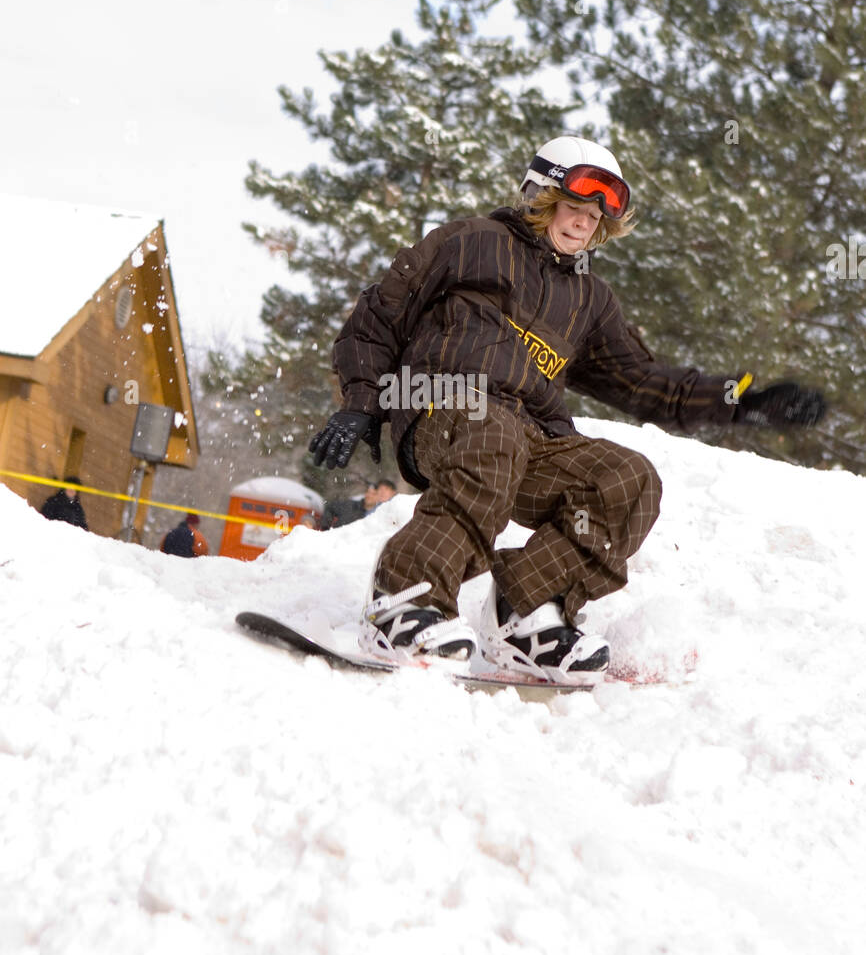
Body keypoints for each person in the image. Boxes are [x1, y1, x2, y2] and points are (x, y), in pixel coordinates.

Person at [309, 135, 825, 684]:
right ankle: (403, 600)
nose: (583, 225)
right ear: (541, 197)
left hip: (528, 434)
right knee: (493, 439)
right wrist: (361, 401)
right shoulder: (470, 242)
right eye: (575, 208)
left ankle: (526, 613)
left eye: (596, 220)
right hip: (447, 408)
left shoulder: (590, 300)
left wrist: (743, 402)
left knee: (625, 479)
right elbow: (381, 313)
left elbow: (644, 382)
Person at [320, 478, 398, 530]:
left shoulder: (379, 515)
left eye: (374, 494)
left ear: (379, 497)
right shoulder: (349, 506)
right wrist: (325, 528)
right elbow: (330, 507)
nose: (369, 496)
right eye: (368, 492)